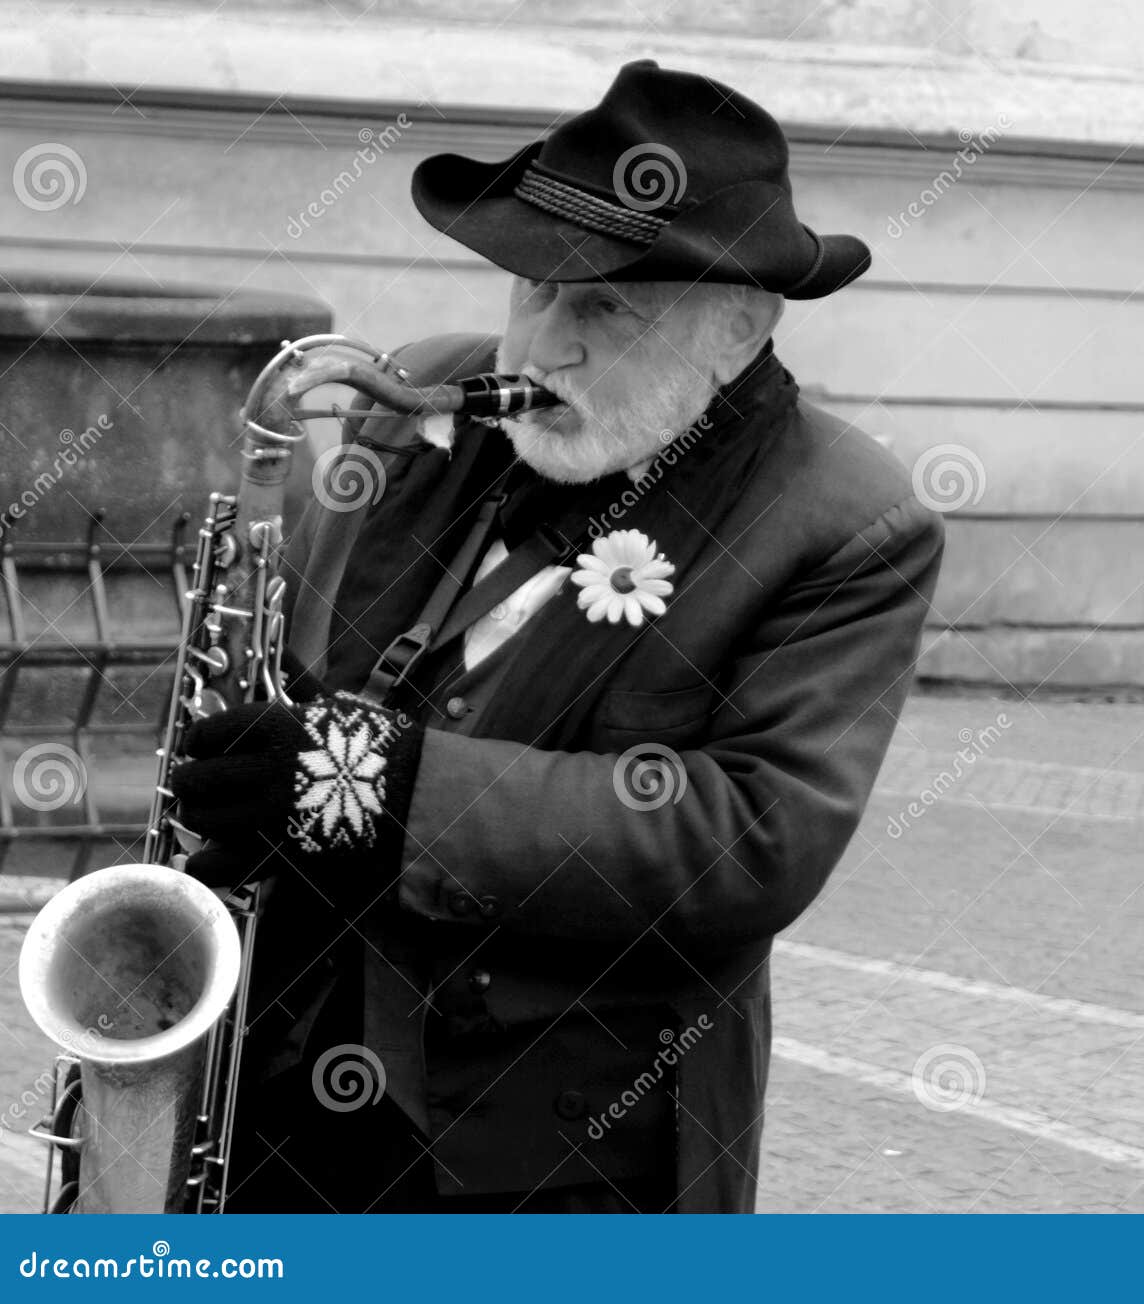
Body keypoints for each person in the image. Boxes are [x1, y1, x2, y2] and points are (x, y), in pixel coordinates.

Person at [170, 59, 944, 1214]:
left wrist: (375, 784)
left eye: (604, 308)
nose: (539, 348)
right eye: (532, 288)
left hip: (554, 1146)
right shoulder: (421, 394)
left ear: (735, 331)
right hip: (284, 1081)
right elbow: (301, 668)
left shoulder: (845, 519)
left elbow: (750, 837)